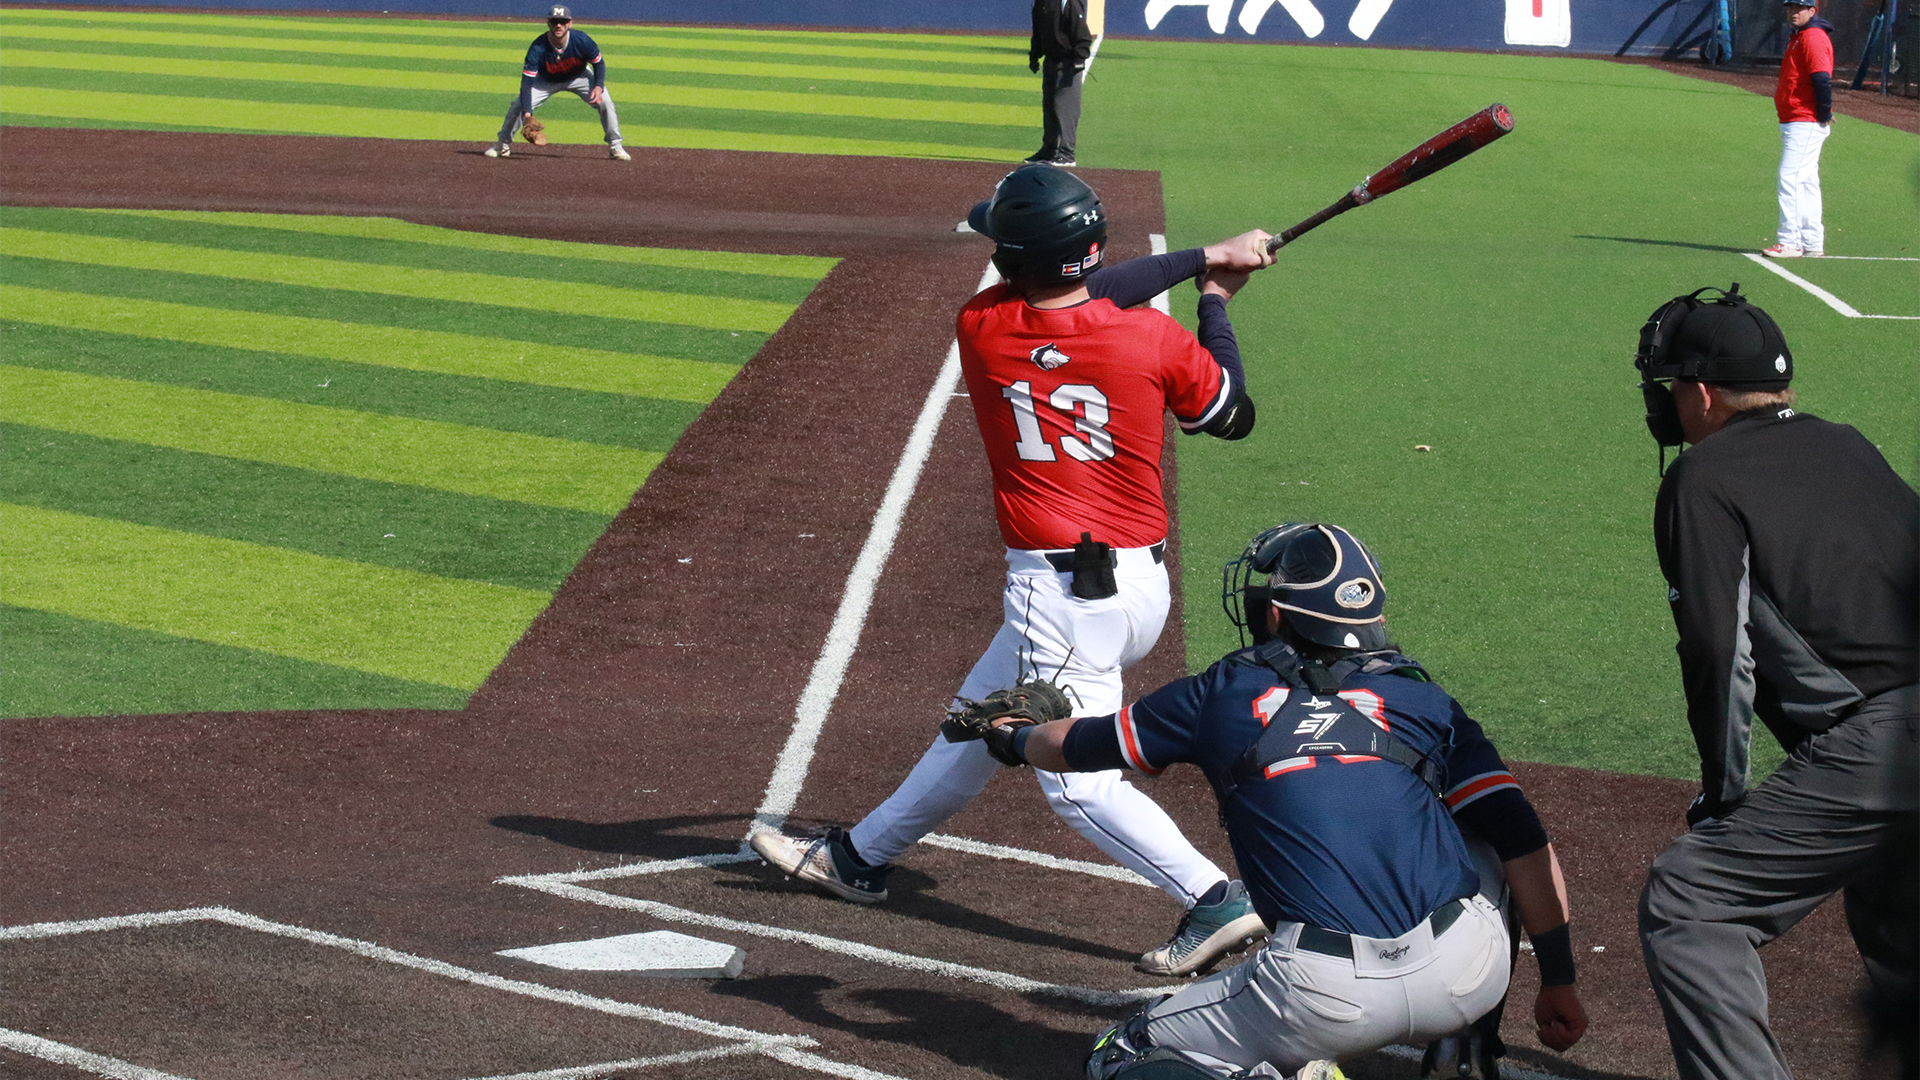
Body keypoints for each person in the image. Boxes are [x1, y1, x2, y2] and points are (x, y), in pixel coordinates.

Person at [754, 162, 1280, 978]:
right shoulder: (1154, 339)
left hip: (1059, 597)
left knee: (1074, 777)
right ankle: (859, 858)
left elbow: (1096, 285)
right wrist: (1215, 296)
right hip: (1137, 589)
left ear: (1016, 262)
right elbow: (1231, 414)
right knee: (977, 718)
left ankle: (1218, 900)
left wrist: (1201, 258)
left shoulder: (984, 327)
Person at [944, 521, 1589, 1080]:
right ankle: (1461, 1050)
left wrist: (1012, 736)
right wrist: (1558, 979)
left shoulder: (1225, 691)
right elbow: (1529, 847)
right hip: (1469, 973)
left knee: (1120, 1057)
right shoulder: (1425, 700)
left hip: (1322, 996)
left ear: (1278, 616)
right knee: (1488, 821)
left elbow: (1077, 746)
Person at [1632, 284, 1919, 1080]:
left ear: (1697, 394)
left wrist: (1723, 796)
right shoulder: (1849, 443)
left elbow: (1720, 650)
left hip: (1887, 738)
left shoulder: (1703, 479)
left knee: (1694, 900)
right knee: (1896, 907)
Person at [484, 5, 630, 162]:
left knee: (605, 102)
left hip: (578, 77)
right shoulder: (537, 47)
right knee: (519, 104)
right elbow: (526, 82)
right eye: (555, 22)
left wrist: (598, 86)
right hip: (546, 80)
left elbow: (599, 64)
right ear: (548, 23)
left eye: (562, 21)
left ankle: (615, 146)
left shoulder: (582, 40)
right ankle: (502, 144)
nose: (558, 25)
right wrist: (528, 114)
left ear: (570, 24)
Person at [1764, 0, 1834, 258]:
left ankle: (1790, 240)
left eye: (1799, 7)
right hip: (1797, 119)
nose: (1793, 12)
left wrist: (1824, 113)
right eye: (1790, 7)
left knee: (1790, 178)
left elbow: (1821, 78)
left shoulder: (1813, 37)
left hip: (1805, 120)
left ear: (1812, 11)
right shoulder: (1800, 36)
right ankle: (1812, 240)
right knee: (1805, 182)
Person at [1027, 0, 1094, 168]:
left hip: (1068, 62)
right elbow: (1038, 31)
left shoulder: (1068, 2)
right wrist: (1034, 55)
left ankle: (1067, 153)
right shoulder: (1041, 2)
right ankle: (1048, 150)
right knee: (1049, 107)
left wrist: (1079, 57)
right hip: (1051, 60)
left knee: (1066, 108)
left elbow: (1081, 31)